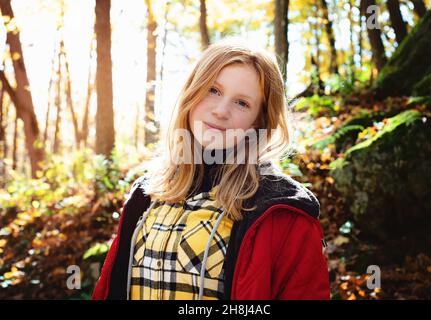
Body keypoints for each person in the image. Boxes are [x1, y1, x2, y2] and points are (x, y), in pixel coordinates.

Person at [92, 40, 330, 300]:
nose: (220, 111)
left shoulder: (284, 212)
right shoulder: (147, 194)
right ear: (192, 92)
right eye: (213, 90)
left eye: (242, 103)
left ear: (258, 121)